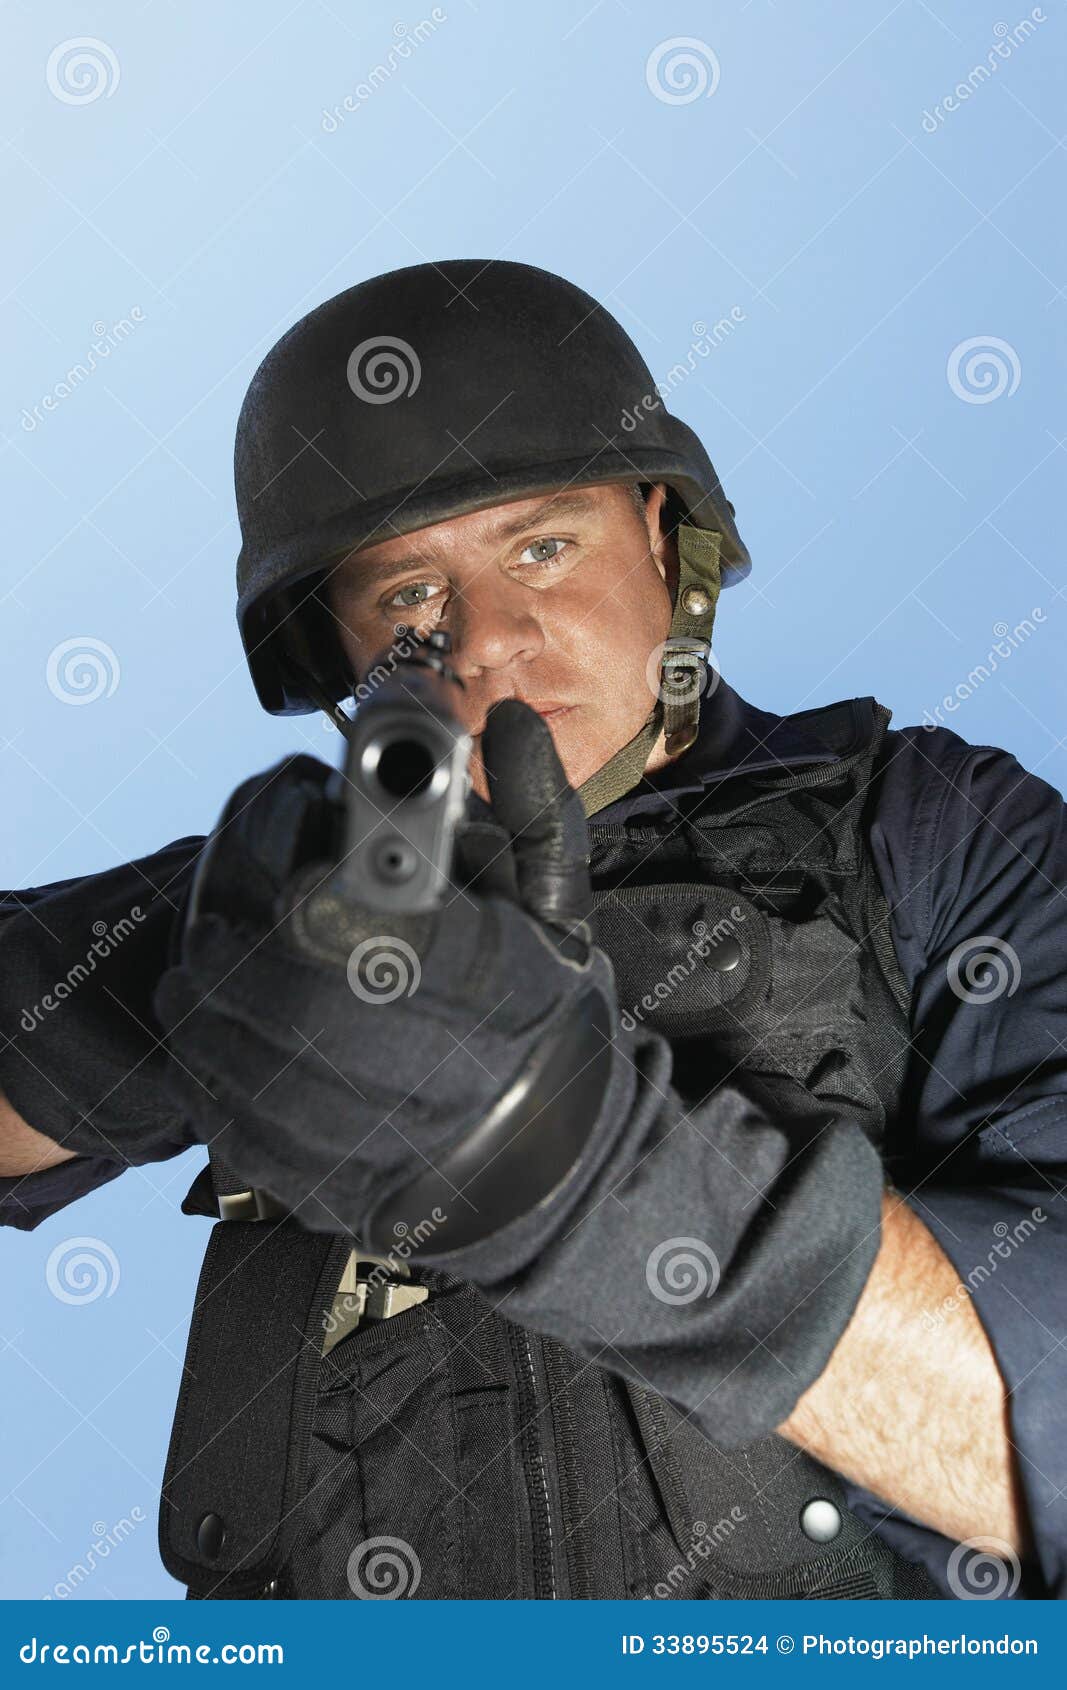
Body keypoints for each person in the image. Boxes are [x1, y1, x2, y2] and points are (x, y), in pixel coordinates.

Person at [1, 261, 1064, 1603]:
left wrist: (557, 1157)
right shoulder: (270, 901)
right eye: (405, 600)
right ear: (333, 655)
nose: (489, 641)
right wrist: (176, 1000)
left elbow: (1044, 1435)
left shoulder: (930, 830)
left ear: (663, 530)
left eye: (541, 547)